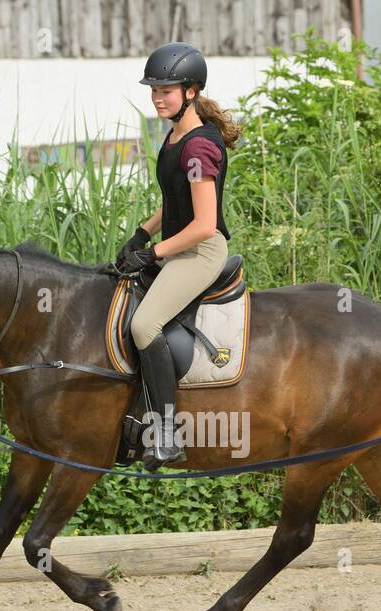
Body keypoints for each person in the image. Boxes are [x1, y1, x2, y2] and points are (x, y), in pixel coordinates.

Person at [115, 41, 239, 469]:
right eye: (153, 90)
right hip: (178, 247)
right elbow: (176, 200)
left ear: (191, 91)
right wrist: (142, 232)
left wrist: (153, 254)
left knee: (145, 324)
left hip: (200, 252)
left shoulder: (198, 147)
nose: (156, 98)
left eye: (165, 90)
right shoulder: (175, 137)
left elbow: (204, 224)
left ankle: (167, 435)